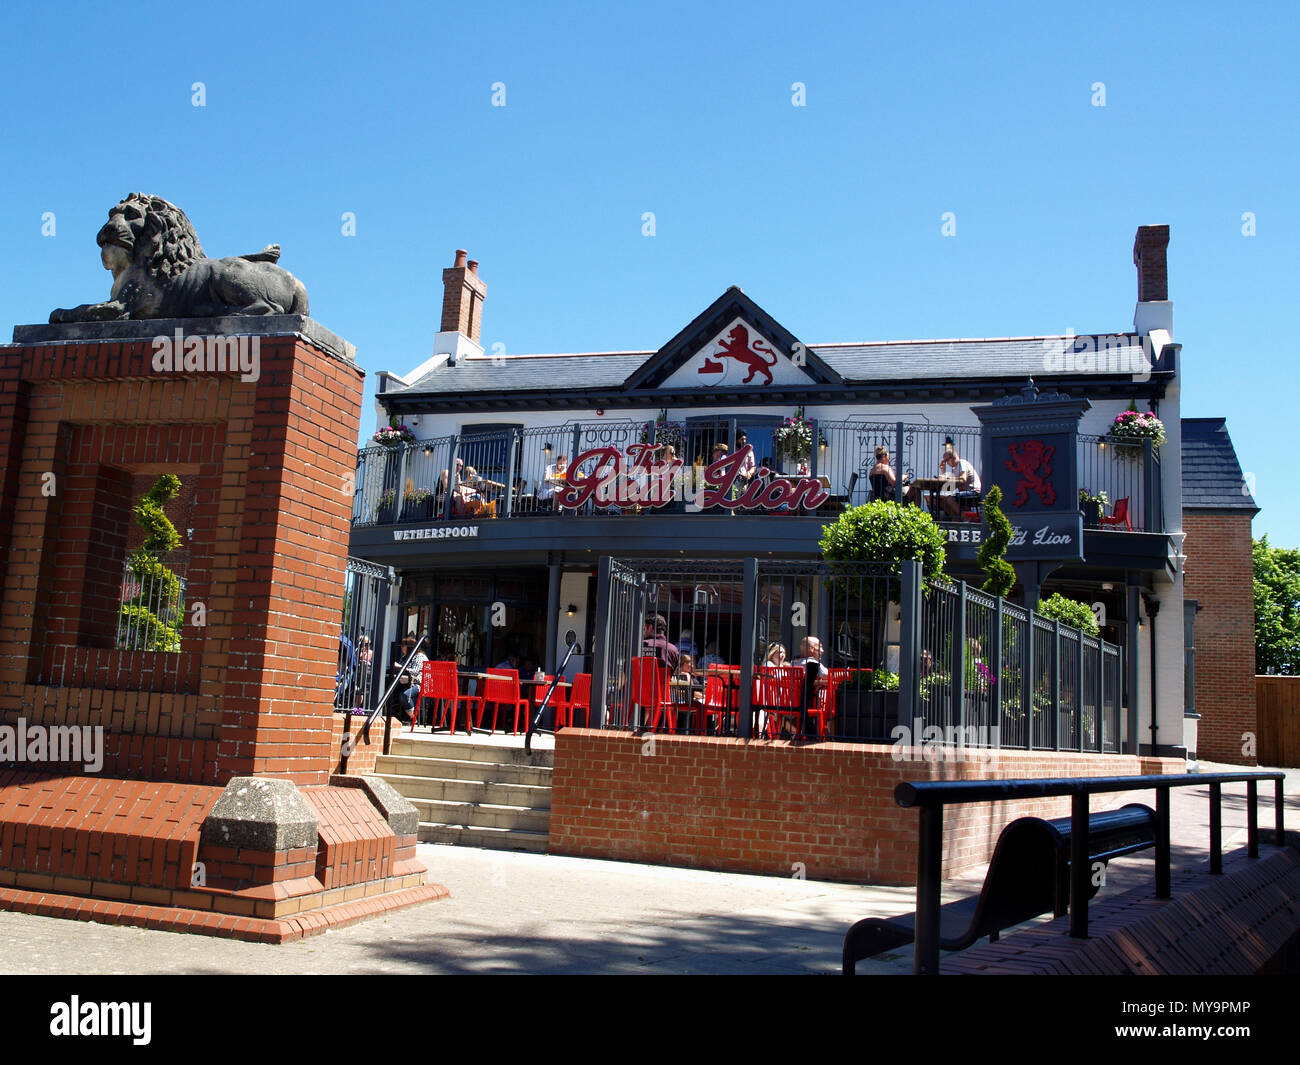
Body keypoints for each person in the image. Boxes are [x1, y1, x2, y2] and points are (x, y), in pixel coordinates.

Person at [938, 442, 982, 520]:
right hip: (965, 492)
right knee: (943, 502)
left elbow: (963, 479)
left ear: (954, 457)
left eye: (947, 460)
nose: (947, 463)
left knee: (950, 499)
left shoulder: (962, 463)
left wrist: (949, 479)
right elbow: (952, 485)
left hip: (974, 492)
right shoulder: (955, 469)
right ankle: (958, 519)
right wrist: (943, 471)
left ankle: (963, 517)